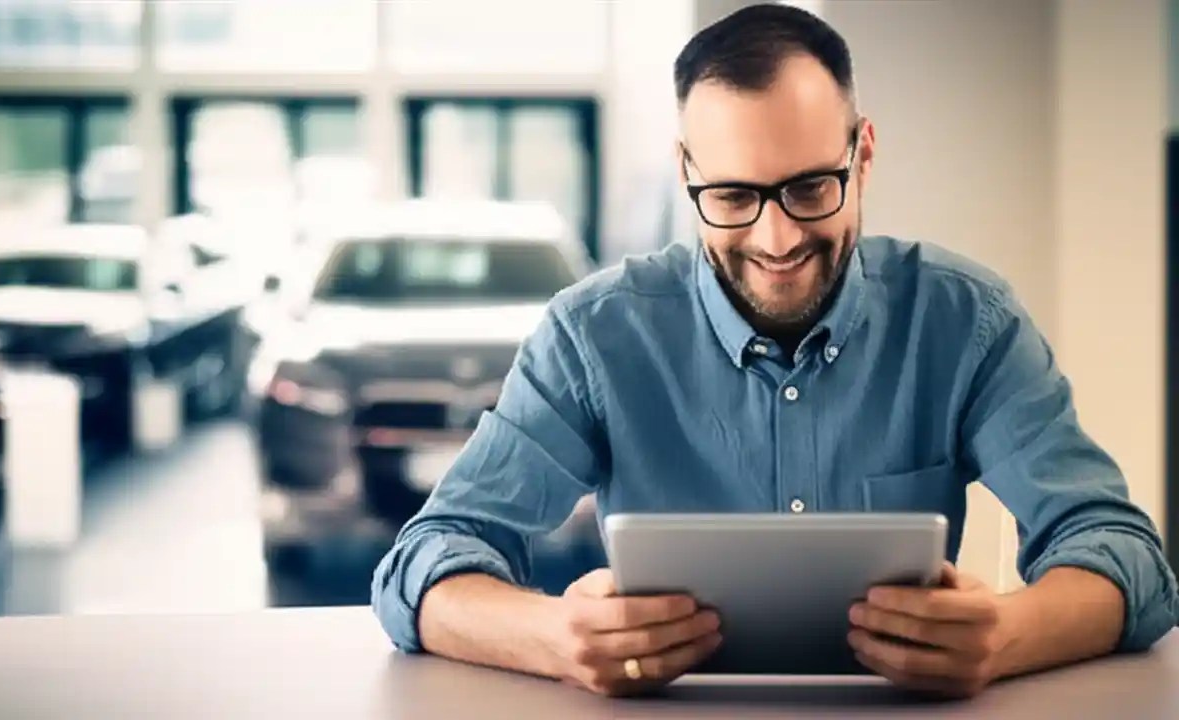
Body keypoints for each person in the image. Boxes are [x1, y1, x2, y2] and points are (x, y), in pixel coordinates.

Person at [371, 3, 1178, 699]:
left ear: (862, 156)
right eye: (731, 196)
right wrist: (554, 637)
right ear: (688, 173)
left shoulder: (966, 321)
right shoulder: (593, 335)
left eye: (808, 188)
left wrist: (1006, 633)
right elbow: (427, 558)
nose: (777, 237)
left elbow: (1125, 556)